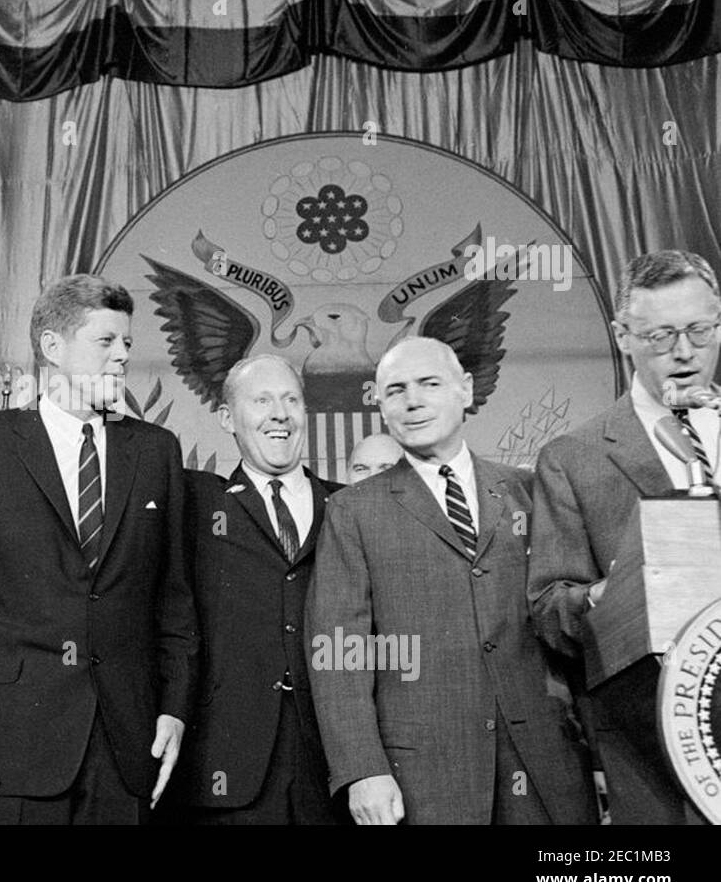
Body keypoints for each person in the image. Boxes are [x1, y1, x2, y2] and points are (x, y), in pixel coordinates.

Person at [0, 274, 199, 825]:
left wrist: (175, 709)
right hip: (9, 746)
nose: (122, 358)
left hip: (127, 748)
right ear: (51, 347)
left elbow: (175, 600)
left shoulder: (156, 451)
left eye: (127, 344)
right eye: (106, 343)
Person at [306, 337, 597, 824]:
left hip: (548, 765)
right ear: (380, 405)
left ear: (465, 390)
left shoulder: (528, 490)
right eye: (396, 390)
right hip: (423, 778)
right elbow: (338, 650)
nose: (413, 400)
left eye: (429, 384)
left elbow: (565, 626)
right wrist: (362, 769)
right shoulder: (353, 511)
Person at [529, 250, 721, 824]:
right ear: (622, 336)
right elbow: (548, 607)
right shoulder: (573, 459)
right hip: (652, 743)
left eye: (699, 331)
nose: (684, 352)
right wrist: (615, 595)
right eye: (660, 336)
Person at [174, 355, 341, 824]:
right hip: (229, 770)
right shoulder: (196, 510)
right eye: (262, 400)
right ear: (227, 418)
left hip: (332, 769)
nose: (280, 414)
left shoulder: (348, 508)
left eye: (291, 400)